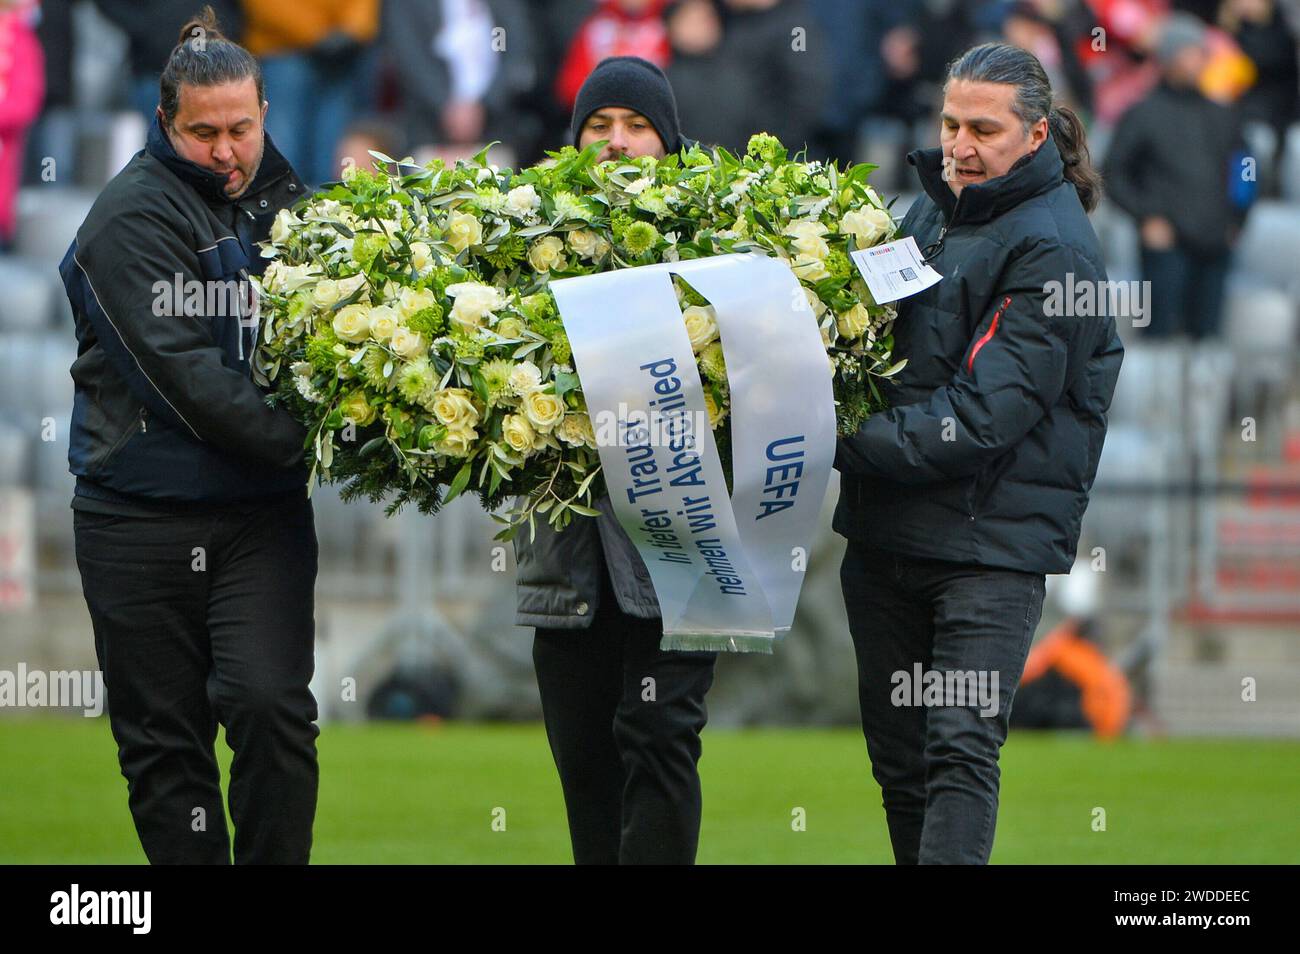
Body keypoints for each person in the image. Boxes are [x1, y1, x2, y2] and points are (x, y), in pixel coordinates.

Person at [834, 42, 1123, 864]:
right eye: (950, 122)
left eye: (984, 129)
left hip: (985, 554)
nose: (959, 144)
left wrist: (832, 439)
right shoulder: (926, 209)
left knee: (959, 752)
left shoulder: (1055, 250)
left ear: (1036, 136)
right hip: (889, 535)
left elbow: (982, 416)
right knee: (901, 766)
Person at [59, 7, 318, 864]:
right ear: (165, 122)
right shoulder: (127, 219)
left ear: (264, 115)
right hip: (137, 519)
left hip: (258, 520)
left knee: (271, 709)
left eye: (241, 129)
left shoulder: (287, 204)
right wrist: (310, 442)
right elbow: (188, 382)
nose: (225, 150)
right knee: (165, 749)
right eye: (203, 132)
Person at [513, 56, 717, 866]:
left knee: (660, 739)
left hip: (679, 549)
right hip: (566, 561)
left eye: (637, 127)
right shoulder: (519, 244)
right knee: (584, 760)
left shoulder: (719, 244)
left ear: (669, 144)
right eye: (599, 127)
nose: (618, 143)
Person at [1103, 12, 1249, 340]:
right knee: (1160, 340)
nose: (1200, 59)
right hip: (1165, 245)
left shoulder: (1223, 113)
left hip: (1215, 243)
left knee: (1207, 344)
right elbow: (1113, 173)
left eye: (1202, 52)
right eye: (1191, 52)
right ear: (1169, 56)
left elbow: (1246, 167)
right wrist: (1146, 217)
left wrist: (1237, 220)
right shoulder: (1142, 113)